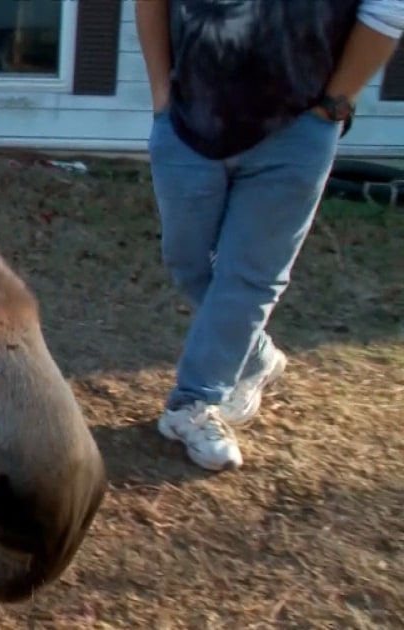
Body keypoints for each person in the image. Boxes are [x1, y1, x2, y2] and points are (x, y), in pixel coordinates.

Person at [135, 0, 404, 472]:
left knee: (251, 274)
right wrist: (161, 97)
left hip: (298, 128)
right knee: (187, 260)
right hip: (188, 119)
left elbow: (386, 10)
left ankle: (193, 403)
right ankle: (255, 354)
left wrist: (331, 107)